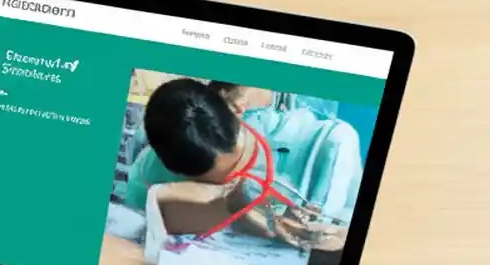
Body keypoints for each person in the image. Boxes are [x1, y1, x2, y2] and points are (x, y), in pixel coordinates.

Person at [122, 78, 358, 253]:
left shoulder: (324, 146)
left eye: (242, 160)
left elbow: (331, 263)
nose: (241, 180)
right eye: (221, 180)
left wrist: (311, 227)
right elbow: (136, 241)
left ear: (235, 112)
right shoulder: (149, 173)